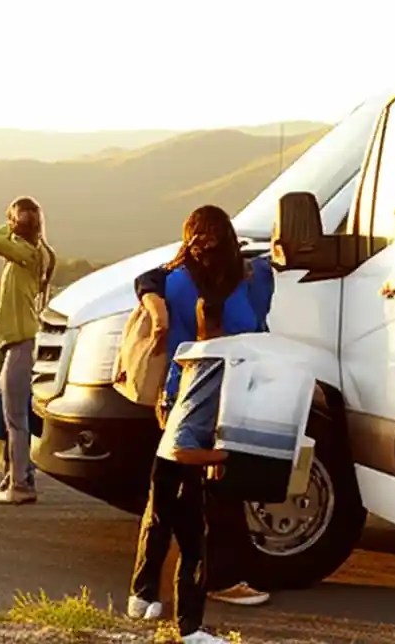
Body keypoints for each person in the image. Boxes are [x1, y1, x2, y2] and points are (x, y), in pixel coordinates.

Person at [126, 205, 273, 644]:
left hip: (187, 398)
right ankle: (192, 613)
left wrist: (155, 306)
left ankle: (148, 590)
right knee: (189, 503)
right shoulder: (251, 280)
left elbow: (148, 277)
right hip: (213, 399)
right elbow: (261, 326)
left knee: (172, 499)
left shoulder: (175, 280)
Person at [0, 197, 56, 504]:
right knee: (16, 413)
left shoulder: (24, 252)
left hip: (21, 341)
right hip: (22, 340)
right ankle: (14, 478)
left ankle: (21, 487)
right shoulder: (38, 252)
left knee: (15, 417)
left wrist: (9, 220)